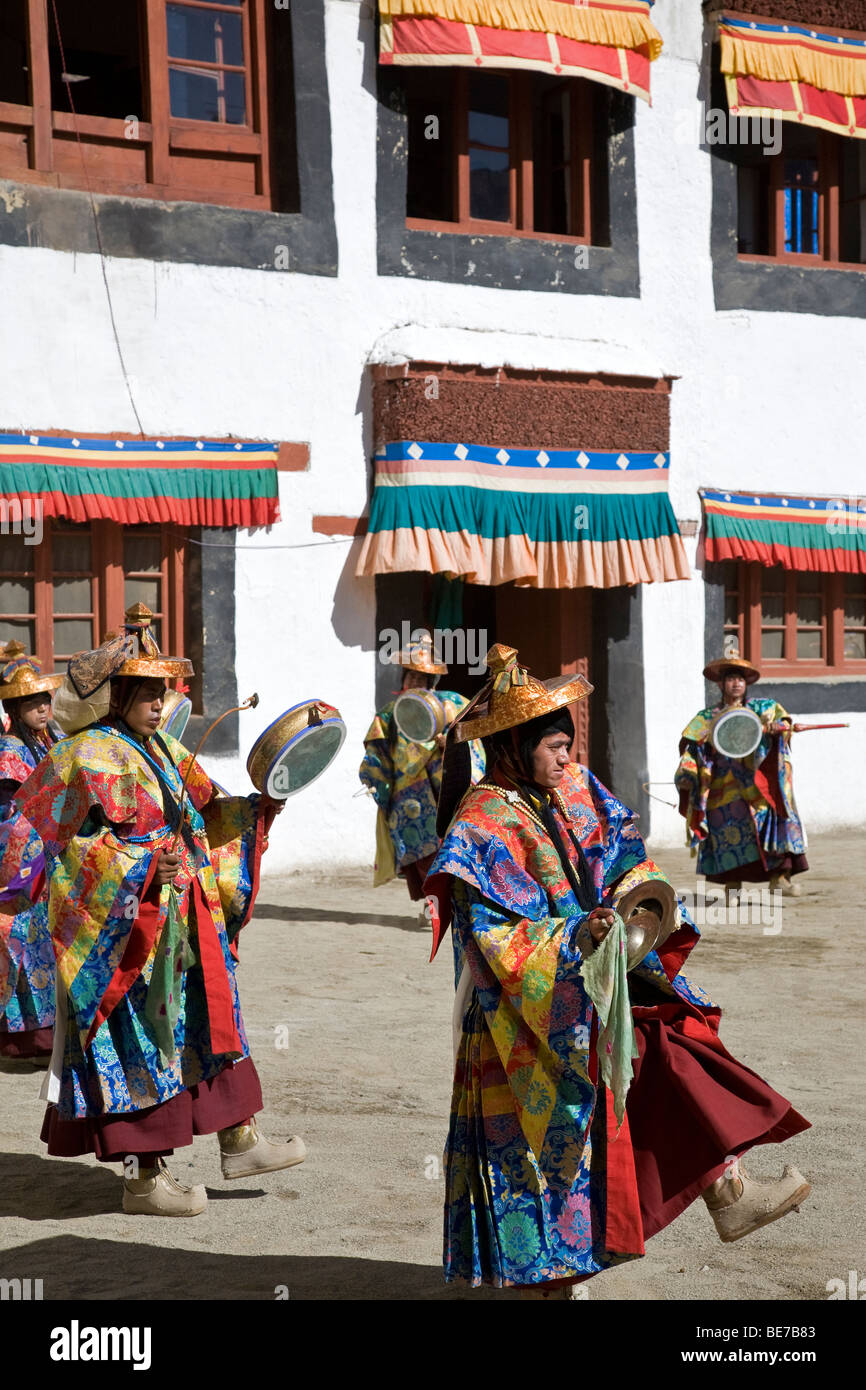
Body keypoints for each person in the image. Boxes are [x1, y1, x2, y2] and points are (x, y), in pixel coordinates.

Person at [425, 643, 811, 1296]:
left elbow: (625, 853)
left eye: (565, 740)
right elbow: (492, 936)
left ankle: (728, 1189)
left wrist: (638, 896)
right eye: (548, 742)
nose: (563, 753)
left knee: (671, 1047)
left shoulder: (573, 785)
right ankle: (547, 1282)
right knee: (539, 1154)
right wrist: (573, 934)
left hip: (603, 977)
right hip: (521, 1011)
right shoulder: (480, 825)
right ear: (512, 746)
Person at [12, 604, 304, 1216]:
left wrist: (254, 811)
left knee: (210, 1016)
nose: (157, 701)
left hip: (188, 915)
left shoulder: (168, 750)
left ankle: (240, 1138)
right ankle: (145, 1179)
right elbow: (47, 849)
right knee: (142, 1040)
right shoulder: (83, 755)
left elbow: (207, 815)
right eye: (145, 692)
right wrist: (138, 869)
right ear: (117, 695)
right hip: (127, 934)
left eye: (162, 691)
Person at [359, 637, 484, 908]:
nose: (415, 682)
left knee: (449, 848)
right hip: (409, 797)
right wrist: (374, 779)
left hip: (446, 790)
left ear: (431, 682)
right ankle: (434, 905)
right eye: (411, 676)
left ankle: (451, 904)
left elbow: (472, 737)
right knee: (421, 855)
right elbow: (377, 752)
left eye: (422, 677)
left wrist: (450, 744)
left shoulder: (452, 704)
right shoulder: (390, 714)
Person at [675, 653, 808, 899]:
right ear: (720, 684)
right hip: (724, 784)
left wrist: (777, 728)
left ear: (746, 684)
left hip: (759, 781)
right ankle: (732, 885)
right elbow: (690, 743)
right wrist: (689, 770)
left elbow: (784, 722)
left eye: (740, 679)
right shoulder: (707, 717)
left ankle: (779, 878)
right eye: (730, 679)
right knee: (727, 829)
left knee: (775, 815)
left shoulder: (762, 708)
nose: (736, 684)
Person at [0, 642, 63, 1065]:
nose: (42, 709)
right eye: (32, 703)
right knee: (22, 943)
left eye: (45, 700)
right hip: (23, 867)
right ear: (15, 708)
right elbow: (8, 815)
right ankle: (20, 1044)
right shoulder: (9, 752)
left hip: (53, 859)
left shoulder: (52, 741)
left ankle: (51, 1035)